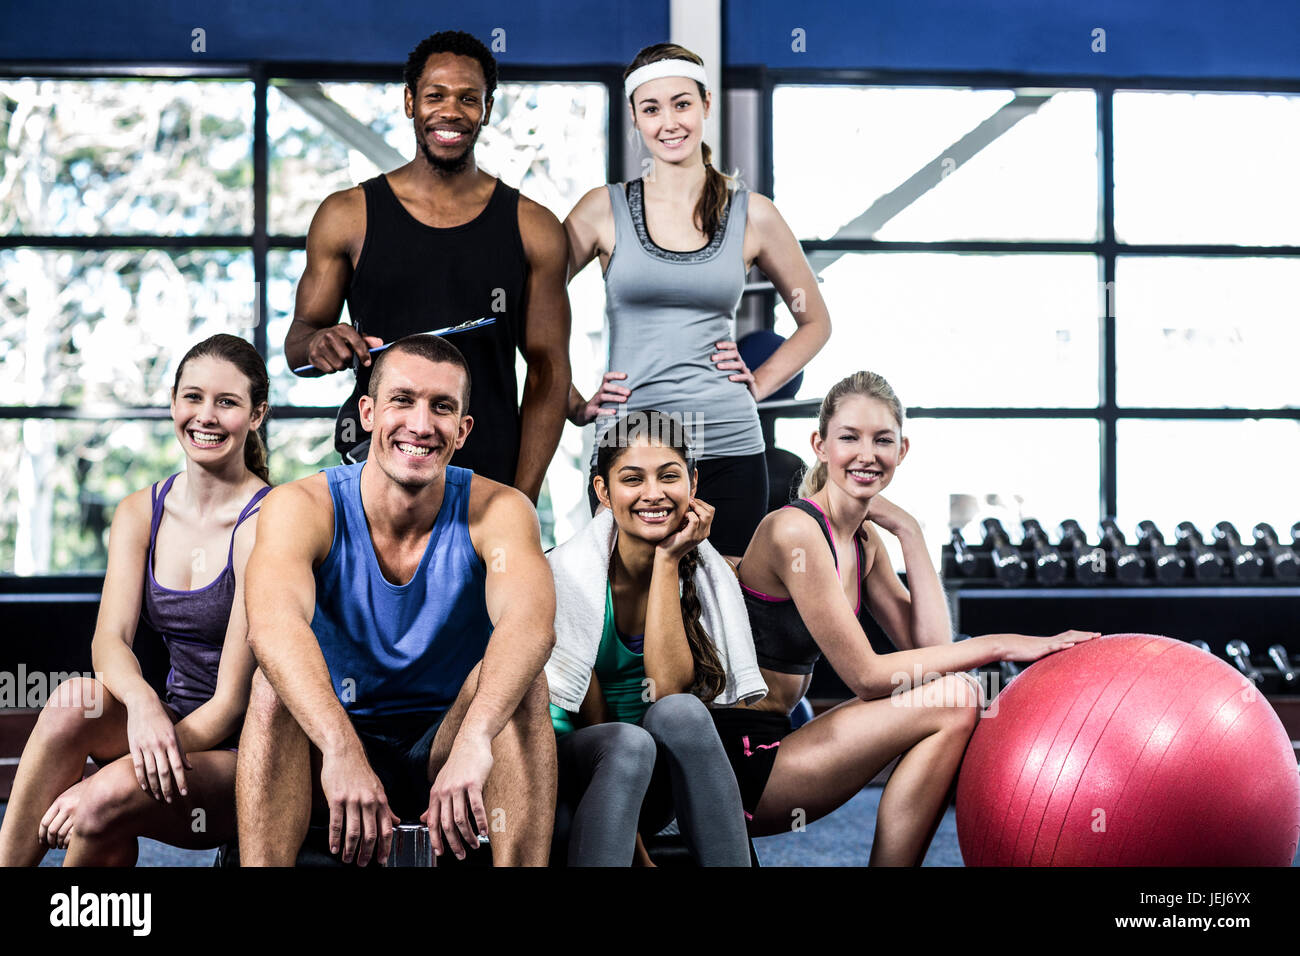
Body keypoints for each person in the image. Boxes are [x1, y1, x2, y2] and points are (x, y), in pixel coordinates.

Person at [714, 371, 1100, 865]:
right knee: (958, 698)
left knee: (956, 696)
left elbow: (932, 649)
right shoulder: (795, 529)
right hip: (733, 769)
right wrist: (1002, 643)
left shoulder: (863, 540)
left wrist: (910, 531)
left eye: (882, 440)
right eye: (849, 438)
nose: (866, 454)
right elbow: (869, 678)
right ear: (820, 444)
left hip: (779, 743)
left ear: (903, 449)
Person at [235, 334, 556, 867]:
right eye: (402, 400)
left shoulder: (501, 509)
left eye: (442, 407)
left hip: (445, 741)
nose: (421, 424)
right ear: (368, 412)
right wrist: (340, 750)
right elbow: (272, 627)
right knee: (270, 684)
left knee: (524, 685)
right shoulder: (301, 506)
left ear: (463, 430)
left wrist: (476, 740)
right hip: (335, 733)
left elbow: (529, 626)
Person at [0, 335, 271, 866]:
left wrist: (102, 781)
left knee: (98, 806)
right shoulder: (139, 511)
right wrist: (145, 705)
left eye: (227, 402)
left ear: (257, 414)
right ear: (173, 403)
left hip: (240, 752)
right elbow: (110, 641)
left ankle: (106, 798)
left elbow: (231, 703)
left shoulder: (264, 521)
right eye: (193, 397)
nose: (206, 416)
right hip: (168, 724)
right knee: (71, 700)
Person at [564, 42, 832, 560]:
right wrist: (572, 401)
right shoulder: (603, 209)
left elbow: (815, 321)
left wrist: (759, 385)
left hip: (728, 443)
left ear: (706, 104)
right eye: (652, 108)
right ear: (635, 118)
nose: (669, 122)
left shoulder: (753, 215)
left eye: (682, 103)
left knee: (725, 611)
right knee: (631, 609)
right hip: (629, 449)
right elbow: (531, 306)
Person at [283, 29, 571, 502]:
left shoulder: (534, 228)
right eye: (435, 95)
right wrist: (319, 341)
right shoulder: (347, 216)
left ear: (488, 108)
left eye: (468, 98)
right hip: (379, 475)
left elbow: (549, 371)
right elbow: (297, 346)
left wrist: (520, 498)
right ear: (409, 101)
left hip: (487, 482)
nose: (451, 112)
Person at [545, 410, 766, 866]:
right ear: (603, 491)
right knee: (628, 744)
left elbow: (668, 693)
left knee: (681, 711)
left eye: (669, 476)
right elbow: (595, 725)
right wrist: (641, 858)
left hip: (655, 782)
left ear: (693, 483)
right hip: (573, 771)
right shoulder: (564, 578)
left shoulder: (702, 574)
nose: (653, 493)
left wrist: (668, 562)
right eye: (632, 478)